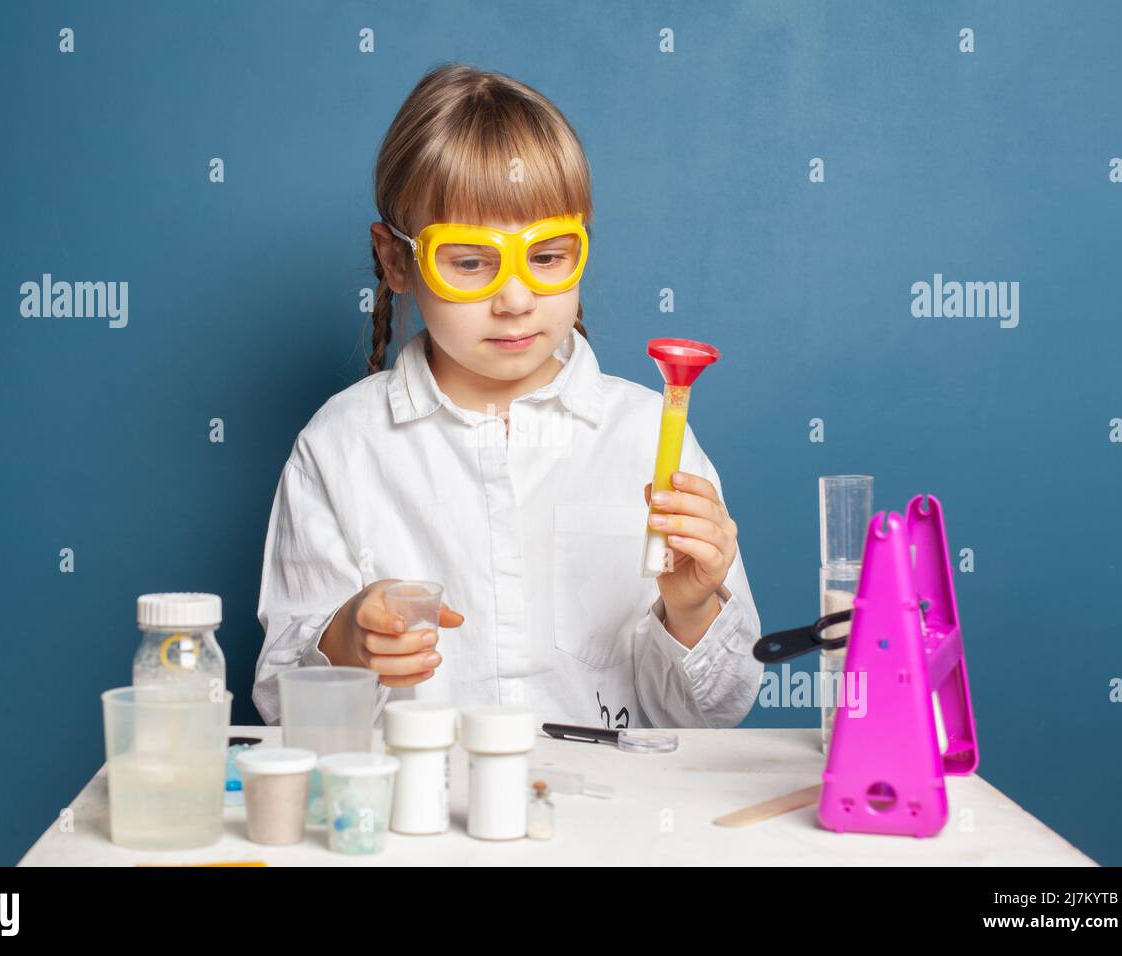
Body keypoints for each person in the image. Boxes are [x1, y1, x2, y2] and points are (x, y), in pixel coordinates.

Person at [253, 63, 761, 729]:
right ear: (397, 261)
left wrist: (693, 608)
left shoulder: (645, 437)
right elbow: (283, 707)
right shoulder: (342, 447)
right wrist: (348, 640)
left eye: (547, 257)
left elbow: (715, 716)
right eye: (469, 262)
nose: (516, 299)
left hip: (612, 820)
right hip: (418, 822)